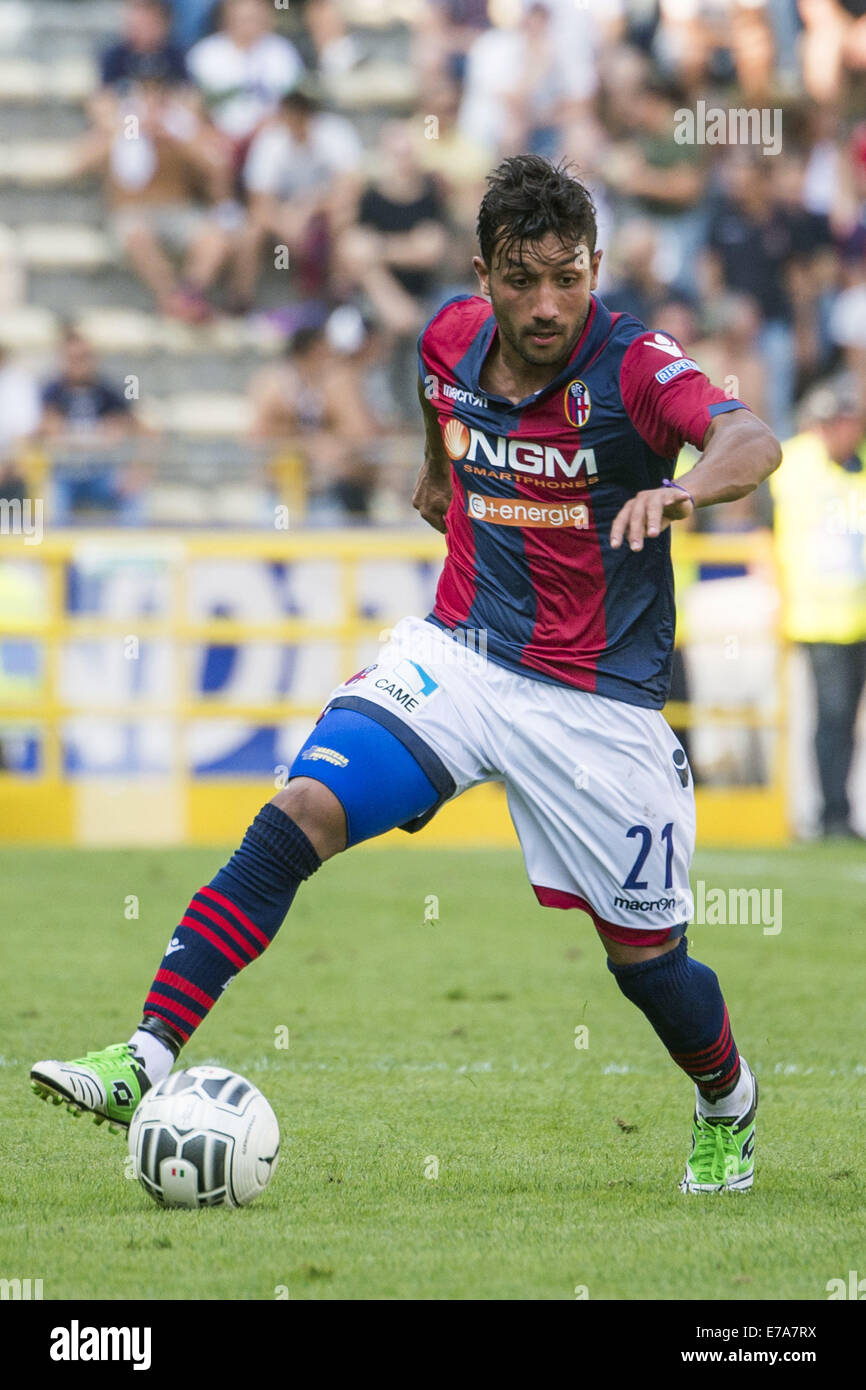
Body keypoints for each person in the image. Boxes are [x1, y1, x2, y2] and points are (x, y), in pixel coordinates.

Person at [30, 156, 781, 1194]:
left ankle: (724, 1099)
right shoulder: (446, 340)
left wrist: (687, 488)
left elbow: (750, 435)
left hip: (595, 705)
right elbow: (440, 400)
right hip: (459, 656)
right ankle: (143, 1055)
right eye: (521, 279)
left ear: (593, 267)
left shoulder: (636, 369)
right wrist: (437, 469)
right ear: (483, 275)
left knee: (647, 968)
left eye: (567, 276)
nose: (546, 303)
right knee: (301, 809)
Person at [770, 377, 866, 837]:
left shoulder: (858, 466)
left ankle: (840, 812)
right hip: (816, 617)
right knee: (830, 720)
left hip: (857, 617)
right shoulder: (793, 464)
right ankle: (831, 815)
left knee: (845, 723)